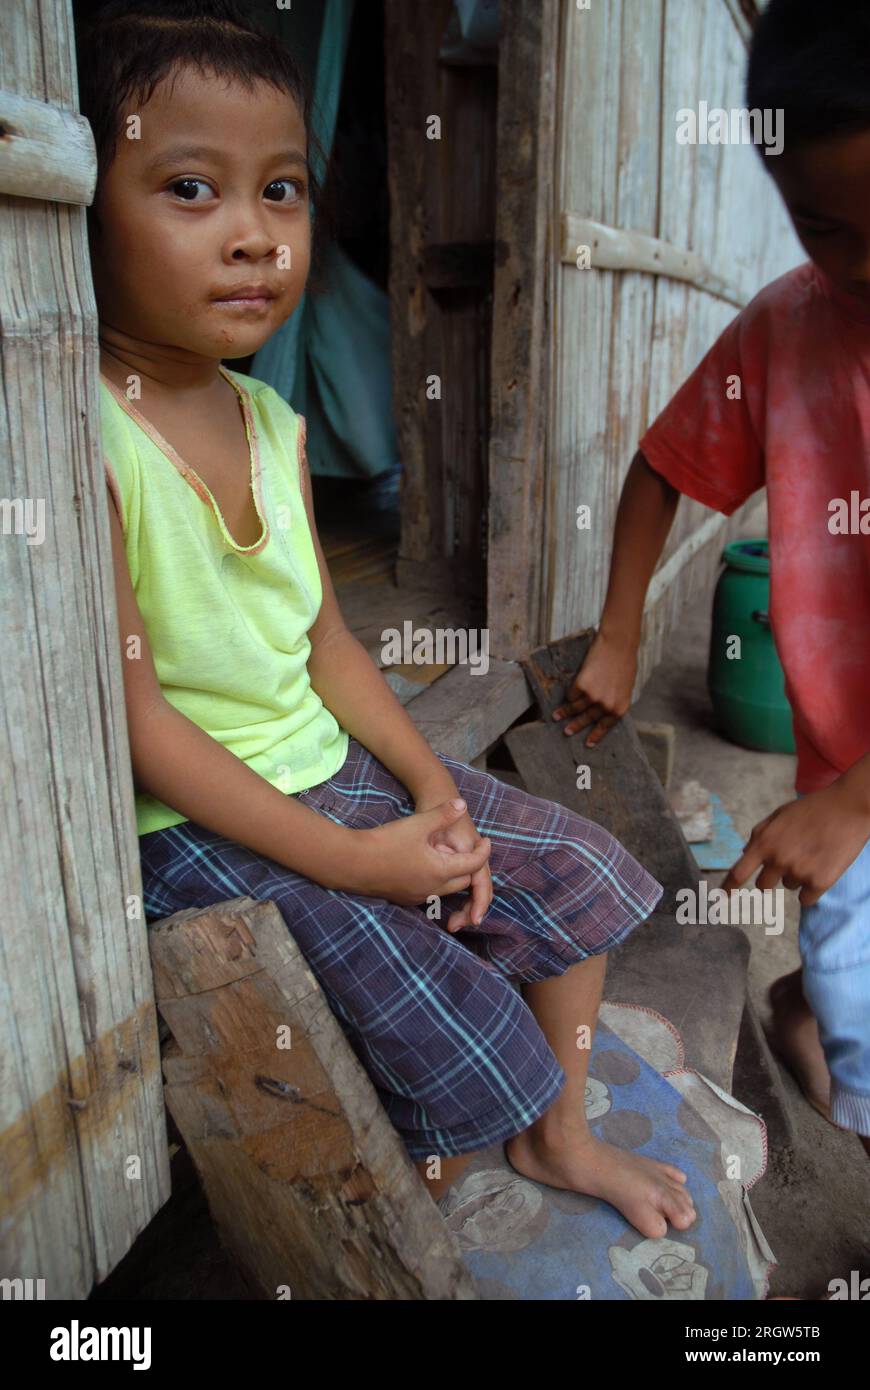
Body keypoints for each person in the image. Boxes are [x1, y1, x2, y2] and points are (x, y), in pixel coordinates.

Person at [76, 0, 694, 1238]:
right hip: (199, 824)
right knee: (453, 1021)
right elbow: (140, 727)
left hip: (329, 769)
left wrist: (427, 787)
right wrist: (360, 863)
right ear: (84, 210)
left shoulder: (274, 425)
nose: (254, 237)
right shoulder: (89, 430)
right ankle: (417, 1178)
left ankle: (558, 1133)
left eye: (285, 191)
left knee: (572, 871)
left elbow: (325, 644)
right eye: (191, 188)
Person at [556, 0, 870, 1158]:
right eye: (830, 227)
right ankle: (820, 1011)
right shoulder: (786, 332)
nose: (867, 267)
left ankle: (811, 1005)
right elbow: (663, 463)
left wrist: (848, 809)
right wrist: (619, 631)